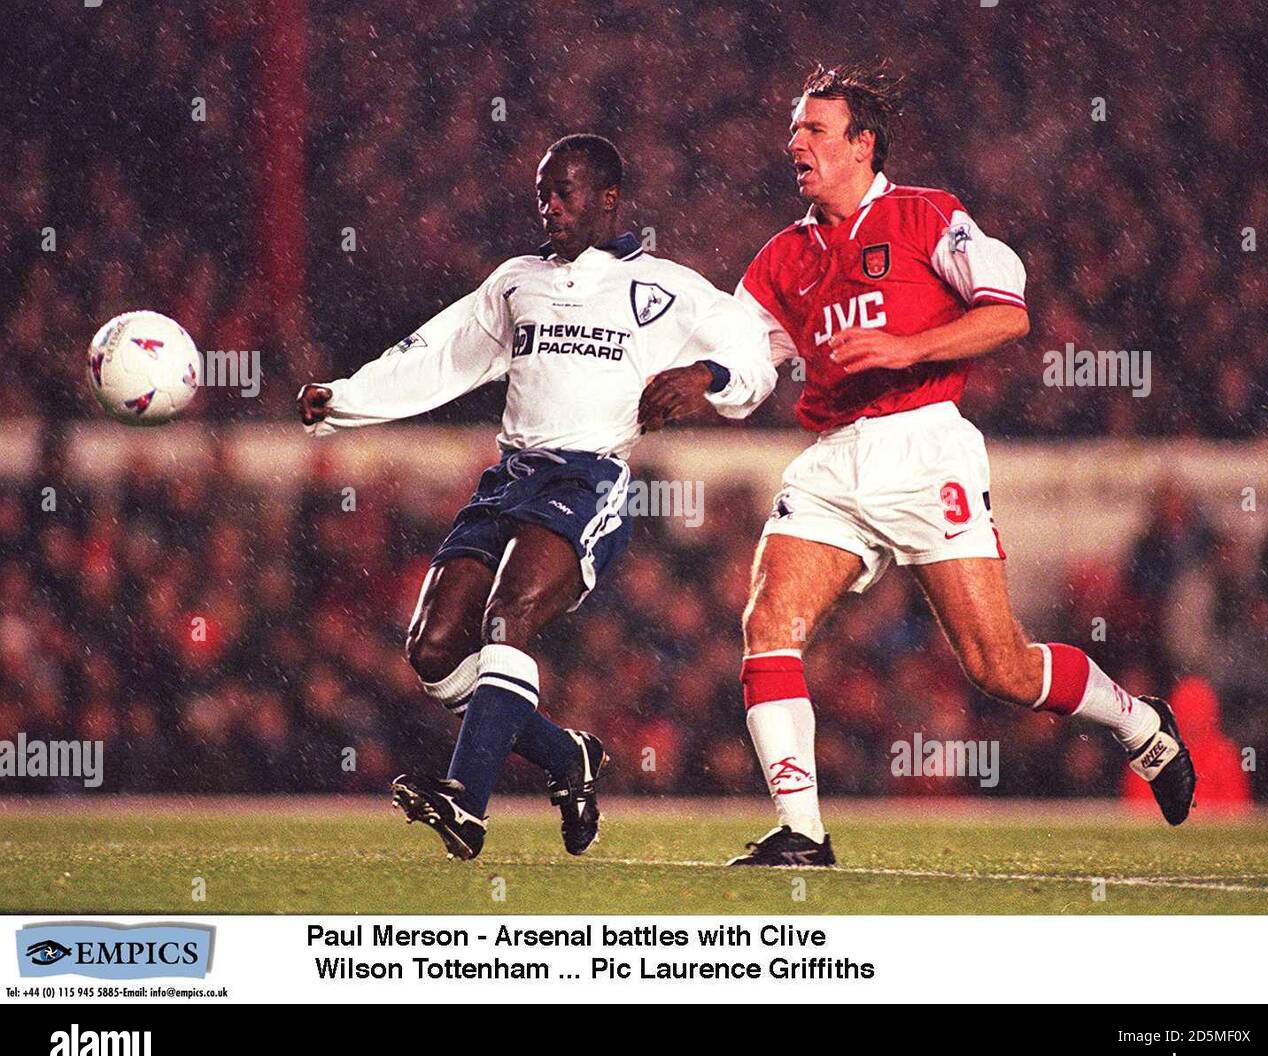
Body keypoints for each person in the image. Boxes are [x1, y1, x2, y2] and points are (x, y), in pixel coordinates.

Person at [727, 64, 1196, 867]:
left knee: (999, 668)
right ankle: (802, 833)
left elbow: (1007, 315)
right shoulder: (779, 260)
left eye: (813, 129)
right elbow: (740, 371)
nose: (794, 143)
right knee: (768, 626)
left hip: (923, 444)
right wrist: (687, 380)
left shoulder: (926, 216)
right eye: (795, 129)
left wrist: (906, 346)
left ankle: (1138, 722)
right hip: (833, 460)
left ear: (862, 143)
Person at [298, 134, 774, 861]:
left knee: (508, 614)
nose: (548, 206)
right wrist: (344, 399)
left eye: (564, 191)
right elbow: (438, 352)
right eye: (542, 193)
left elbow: (754, 356)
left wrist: (707, 375)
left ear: (608, 197)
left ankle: (466, 802)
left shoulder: (668, 287)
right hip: (509, 478)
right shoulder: (516, 281)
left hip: (588, 479)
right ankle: (565, 758)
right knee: (431, 650)